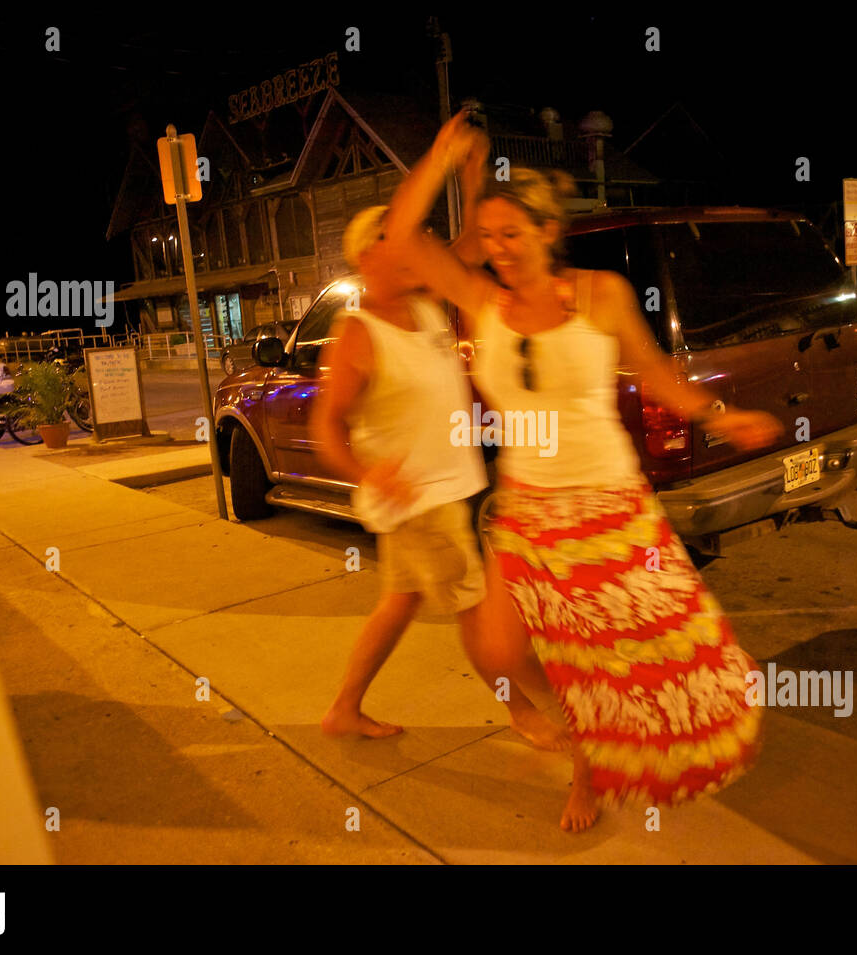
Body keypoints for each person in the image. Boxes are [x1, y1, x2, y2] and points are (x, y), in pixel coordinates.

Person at [384, 112, 785, 831]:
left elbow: (660, 378)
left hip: (608, 505)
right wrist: (442, 154)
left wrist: (722, 415)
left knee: (613, 661)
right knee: (504, 652)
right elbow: (400, 239)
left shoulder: (600, 295)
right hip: (527, 508)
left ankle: (588, 770)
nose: (498, 249)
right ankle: (583, 736)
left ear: (546, 231)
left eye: (513, 234)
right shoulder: (485, 302)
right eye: (489, 237)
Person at [312, 199, 568, 750]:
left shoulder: (425, 306)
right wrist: (368, 474)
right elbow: (326, 426)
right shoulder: (356, 334)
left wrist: (469, 172)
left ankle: (343, 708)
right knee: (477, 612)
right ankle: (523, 711)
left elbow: (470, 246)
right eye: (393, 238)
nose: (412, 246)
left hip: (446, 488)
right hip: (421, 502)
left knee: (399, 602)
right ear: (366, 257)